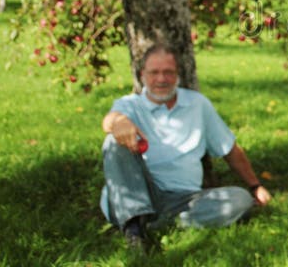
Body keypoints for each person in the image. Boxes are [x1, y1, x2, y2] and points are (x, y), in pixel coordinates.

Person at [99, 43, 272, 251]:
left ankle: (153, 222)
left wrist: (255, 186)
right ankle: (135, 231)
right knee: (112, 141)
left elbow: (229, 148)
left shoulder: (197, 104)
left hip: (187, 200)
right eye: (154, 72)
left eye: (168, 72)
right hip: (143, 191)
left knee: (240, 199)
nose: (161, 79)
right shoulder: (130, 104)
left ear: (178, 74)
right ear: (142, 75)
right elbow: (109, 120)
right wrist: (118, 123)